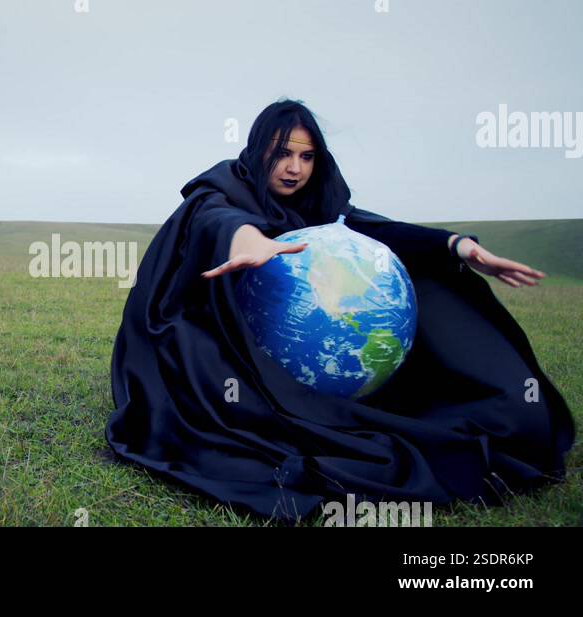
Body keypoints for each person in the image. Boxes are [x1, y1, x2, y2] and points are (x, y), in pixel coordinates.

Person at [105, 99, 576, 522]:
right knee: (234, 417)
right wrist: (253, 242)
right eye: (281, 154)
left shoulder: (319, 203)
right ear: (257, 152)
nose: (294, 168)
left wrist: (459, 247)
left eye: (306, 156)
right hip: (216, 340)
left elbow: (376, 231)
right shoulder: (221, 190)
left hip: (288, 356)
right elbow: (219, 219)